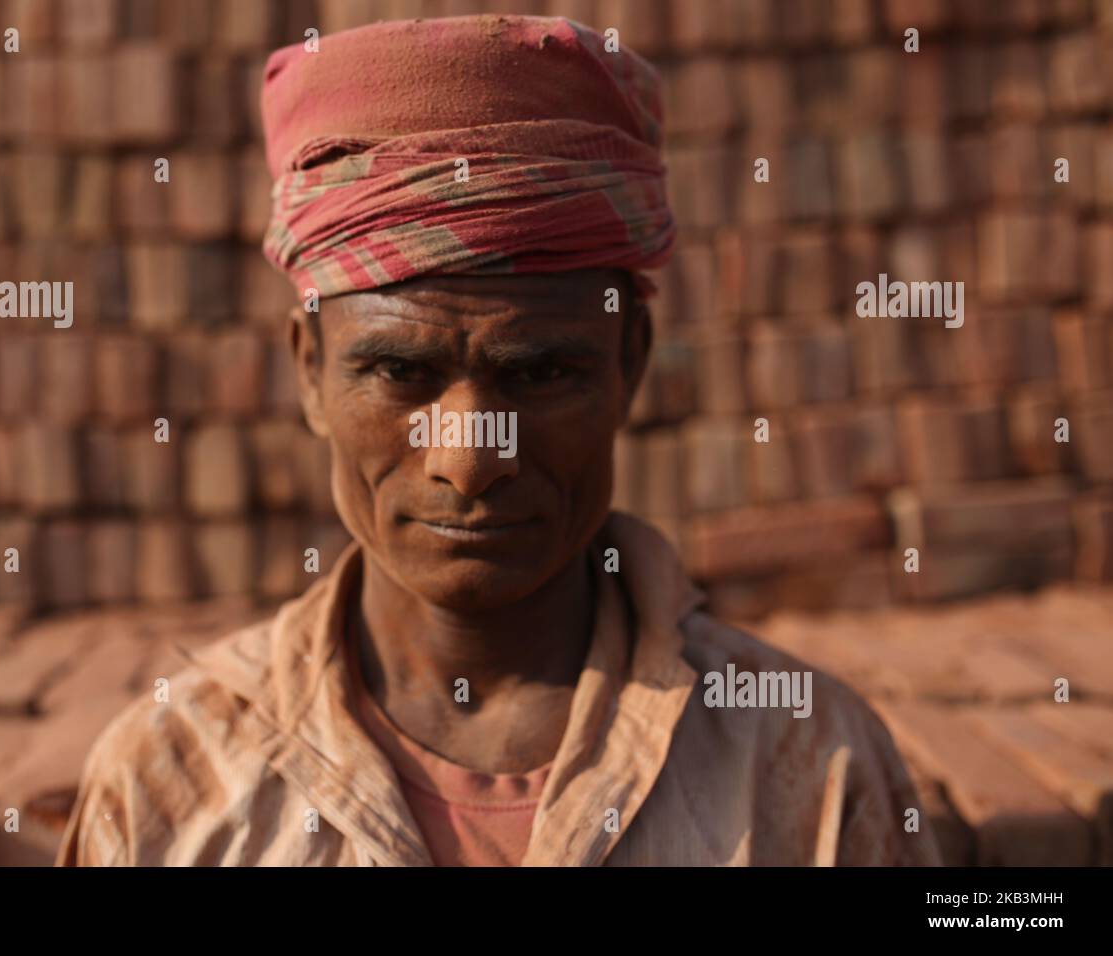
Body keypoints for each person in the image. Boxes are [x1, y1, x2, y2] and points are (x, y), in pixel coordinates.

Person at [56, 14, 940, 867]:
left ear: (628, 361)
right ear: (308, 371)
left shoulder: (809, 767)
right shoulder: (167, 781)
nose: (471, 459)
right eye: (399, 373)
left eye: (542, 374)